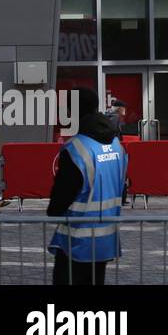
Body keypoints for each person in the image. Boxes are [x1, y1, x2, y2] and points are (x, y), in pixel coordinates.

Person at [47, 88, 127, 285]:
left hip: (77, 243)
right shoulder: (117, 145)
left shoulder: (76, 149)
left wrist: (54, 210)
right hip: (106, 239)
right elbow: (122, 188)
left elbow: (60, 200)